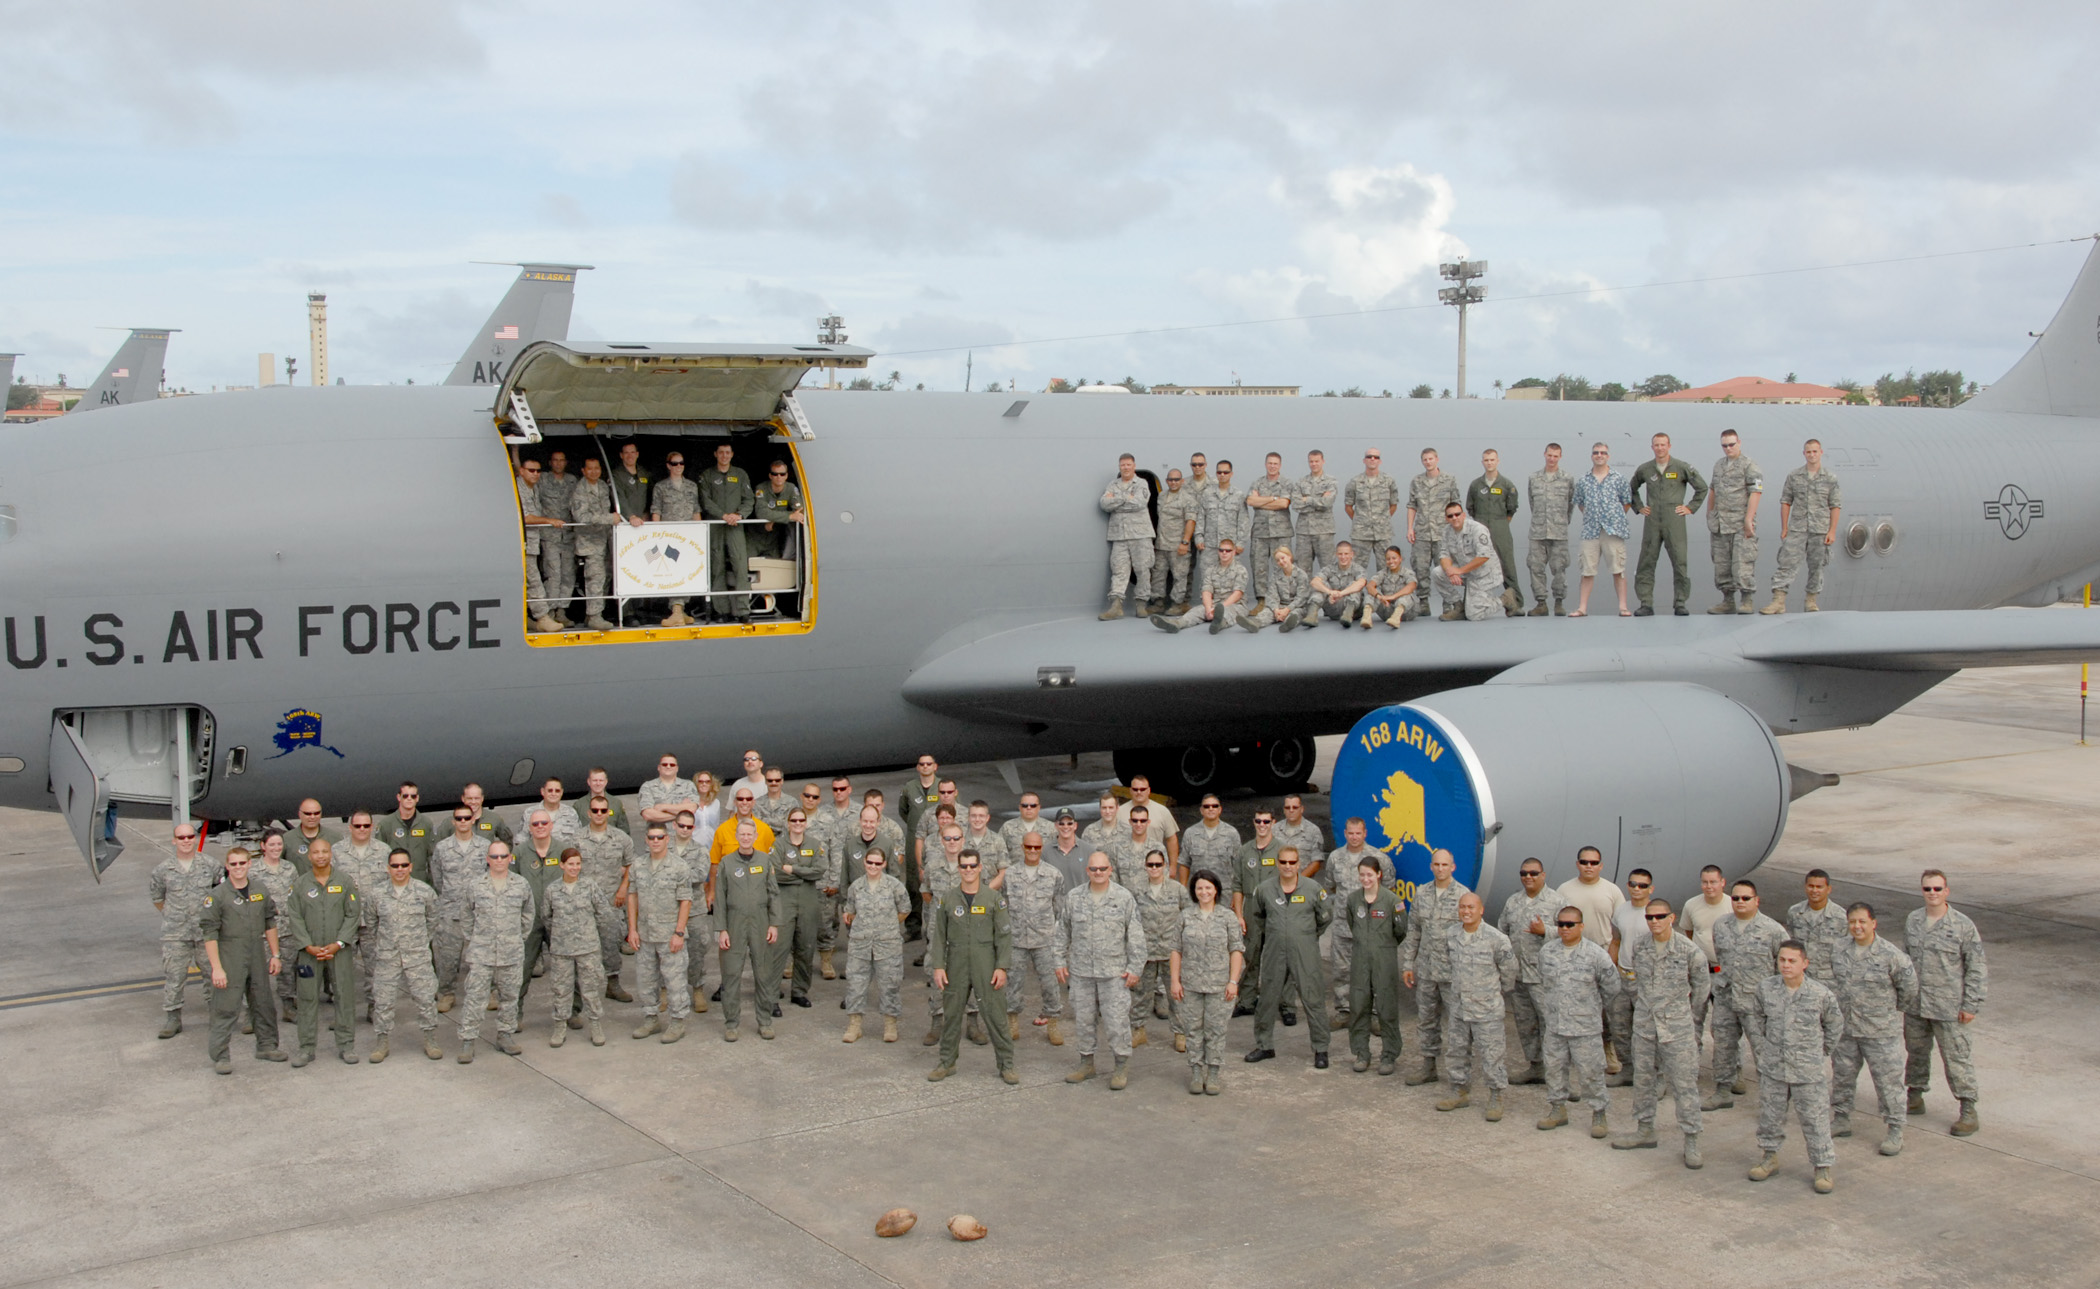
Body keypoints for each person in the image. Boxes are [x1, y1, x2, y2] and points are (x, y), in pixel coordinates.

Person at [1613, 900, 1710, 1168]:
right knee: (1643, 1080)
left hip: (1676, 1028)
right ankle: (1645, 1129)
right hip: (1645, 1026)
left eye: (1660, 916)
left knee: (1683, 1084)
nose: (1654, 921)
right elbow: (1639, 981)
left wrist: (1681, 1013)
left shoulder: (1689, 951)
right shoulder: (1640, 946)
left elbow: (1701, 990)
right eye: (1650, 917)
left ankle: (1691, 1139)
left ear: (1672, 917)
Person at [1743, 941, 1846, 1192]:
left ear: (1805, 963)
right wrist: (1763, 1048)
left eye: (1792, 961)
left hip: (1807, 1071)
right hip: (1774, 1067)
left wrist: (1819, 1052)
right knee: (1770, 1116)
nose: (1786, 965)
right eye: (1782, 960)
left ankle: (1822, 1167)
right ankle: (1769, 1157)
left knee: (1815, 1119)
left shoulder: (1820, 994)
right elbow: (1755, 1020)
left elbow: (1834, 1026)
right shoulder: (1766, 989)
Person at [1831, 901, 1920, 1156]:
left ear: (1873, 923)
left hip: (1880, 1031)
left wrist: (1886, 1013)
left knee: (1888, 1082)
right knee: (1842, 1076)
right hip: (1848, 1029)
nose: (1857, 927)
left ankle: (1895, 1129)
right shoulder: (1839, 950)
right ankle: (1841, 1118)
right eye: (1852, 922)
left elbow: (1909, 991)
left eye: (1861, 922)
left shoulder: (1892, 956)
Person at [1904, 868, 1987, 1136]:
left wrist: (1970, 1005)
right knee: (1916, 1052)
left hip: (1949, 1007)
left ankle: (1968, 1109)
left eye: (1937, 889)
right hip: (1917, 1004)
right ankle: (1914, 1096)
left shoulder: (1962, 925)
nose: (1932, 894)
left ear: (1946, 891)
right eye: (1927, 889)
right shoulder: (1913, 920)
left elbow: (1976, 967)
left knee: (1956, 1059)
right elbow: (1906, 962)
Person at [1055, 851, 1145, 1089]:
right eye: (1093, 869)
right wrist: (1058, 961)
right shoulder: (1074, 898)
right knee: (1084, 1021)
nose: (1098, 873)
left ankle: (1120, 1065)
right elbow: (1062, 931)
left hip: (1114, 973)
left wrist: (1135, 967)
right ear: (1087, 871)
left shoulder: (1123, 898)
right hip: (1082, 973)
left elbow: (1135, 935)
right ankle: (1087, 1063)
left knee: (1116, 1022)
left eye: (1102, 869)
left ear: (1110, 870)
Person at [928, 847, 1018, 1084]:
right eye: (963, 866)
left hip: (985, 962)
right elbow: (938, 935)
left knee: (996, 1016)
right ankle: (947, 1062)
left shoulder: (993, 899)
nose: (968, 870)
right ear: (958, 869)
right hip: (956, 963)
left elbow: (1004, 936)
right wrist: (938, 965)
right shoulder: (948, 899)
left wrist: (1002, 967)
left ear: (979, 868)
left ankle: (1006, 1064)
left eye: (972, 866)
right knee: (952, 1015)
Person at [1536, 905, 1620, 1137]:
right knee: (1554, 1069)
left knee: (1592, 1072)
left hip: (1585, 1028)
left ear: (1581, 926)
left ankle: (1599, 1113)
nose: (1564, 929)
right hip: (1555, 1025)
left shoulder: (1596, 955)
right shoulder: (1547, 952)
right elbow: (1545, 981)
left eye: (1570, 924)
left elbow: (1612, 987)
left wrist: (1590, 1008)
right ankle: (1557, 1109)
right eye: (1560, 924)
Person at [199, 847, 285, 1073]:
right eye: (233, 864)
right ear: (227, 867)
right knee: (226, 1007)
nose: (238, 868)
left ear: (249, 864)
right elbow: (210, 933)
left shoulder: (260, 890)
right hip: (230, 954)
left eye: (242, 863)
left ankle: (267, 1046)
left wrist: (275, 955)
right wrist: (217, 968)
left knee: (263, 1003)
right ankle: (221, 1056)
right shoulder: (217, 896)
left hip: (256, 952)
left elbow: (270, 923)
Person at [1245, 848, 1333, 1068]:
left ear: (1298, 863)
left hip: (1305, 952)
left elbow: (1324, 917)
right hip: (1275, 950)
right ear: (1277, 863)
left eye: (1292, 862)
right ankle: (1264, 1045)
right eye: (1283, 861)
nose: (1287, 866)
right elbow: (1258, 917)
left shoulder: (1313, 889)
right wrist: (1279, 934)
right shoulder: (1264, 889)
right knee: (1267, 997)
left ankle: (1321, 1048)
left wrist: (1304, 936)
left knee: (1313, 998)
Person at [1708, 879, 1787, 1110]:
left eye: (1745, 898)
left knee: (1764, 1052)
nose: (1740, 902)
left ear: (1756, 900)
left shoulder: (1773, 930)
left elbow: (1782, 965)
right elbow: (1720, 958)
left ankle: (1771, 1100)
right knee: (1723, 1046)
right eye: (1735, 898)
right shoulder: (1721, 925)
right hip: (1726, 997)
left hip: (1757, 1003)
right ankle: (1723, 1090)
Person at [1436, 892, 1517, 1118]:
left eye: (1471, 907)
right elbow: (1449, 963)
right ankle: (1459, 1091)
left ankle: (1495, 1096)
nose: (1466, 911)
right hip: (1460, 1007)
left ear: (1481, 910)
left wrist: (1497, 992)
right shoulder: (1452, 935)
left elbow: (1510, 970)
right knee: (1456, 1051)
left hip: (1487, 1009)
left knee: (1492, 1055)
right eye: (1462, 907)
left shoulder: (1496, 938)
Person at [455, 843, 535, 1061]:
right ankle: (468, 1040)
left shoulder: (520, 884)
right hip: (482, 953)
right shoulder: (475, 886)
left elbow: (528, 915)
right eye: (494, 856)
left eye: (503, 856)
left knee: (509, 997)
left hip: (511, 952)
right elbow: (466, 915)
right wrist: (476, 940)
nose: (499, 860)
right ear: (487, 859)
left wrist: (518, 938)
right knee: (475, 998)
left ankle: (505, 1036)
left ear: (510, 858)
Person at [287, 839, 360, 1067]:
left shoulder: (345, 882)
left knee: (344, 996)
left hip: (339, 951)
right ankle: (306, 1048)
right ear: (309, 856)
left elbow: (353, 914)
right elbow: (295, 917)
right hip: (309, 952)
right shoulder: (300, 885)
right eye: (316, 852)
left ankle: (346, 1045)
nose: (320, 856)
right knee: (308, 998)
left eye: (325, 851)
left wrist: (339, 943)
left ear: (331, 854)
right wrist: (307, 945)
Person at [365, 847, 441, 1064]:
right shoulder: (377, 894)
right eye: (395, 866)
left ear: (411, 867)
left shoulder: (424, 892)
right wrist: (387, 943)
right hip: (388, 956)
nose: (400, 869)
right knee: (383, 1000)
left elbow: (432, 920)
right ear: (388, 868)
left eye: (404, 865)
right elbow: (372, 924)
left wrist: (417, 942)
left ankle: (430, 1039)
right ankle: (382, 1042)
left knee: (425, 998)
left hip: (417, 956)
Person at [1401, 848, 1471, 1084]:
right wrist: (1408, 963)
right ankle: (1428, 1066)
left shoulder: (1464, 896)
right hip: (1427, 970)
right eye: (1436, 865)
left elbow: (1471, 935)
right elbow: (1414, 930)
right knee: (1427, 1019)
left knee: (1458, 1024)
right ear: (1431, 867)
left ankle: (1459, 1073)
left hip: (1454, 973)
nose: (1440, 869)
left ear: (1453, 867)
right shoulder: (1422, 894)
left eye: (1445, 865)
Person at [1172, 870, 1244, 1095]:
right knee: (1192, 1029)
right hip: (1191, 985)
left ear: (1216, 890)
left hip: (1219, 986)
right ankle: (1195, 1071)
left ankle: (1213, 1072)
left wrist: (1233, 981)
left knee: (1216, 1030)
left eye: (1208, 888)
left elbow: (1236, 950)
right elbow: (1176, 950)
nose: (1204, 892)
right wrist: (1175, 980)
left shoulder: (1227, 917)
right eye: (1199, 888)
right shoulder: (1185, 916)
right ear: (1194, 891)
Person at [624, 824, 694, 1043]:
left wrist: (679, 933)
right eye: (651, 837)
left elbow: (685, 901)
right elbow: (632, 896)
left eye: (659, 837)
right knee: (645, 980)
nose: (655, 841)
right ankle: (650, 1018)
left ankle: (677, 1021)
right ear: (646, 840)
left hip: (669, 933)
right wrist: (632, 929)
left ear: (667, 839)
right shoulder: (638, 865)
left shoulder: (679, 866)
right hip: (645, 934)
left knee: (674, 981)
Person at [148, 819, 219, 1039]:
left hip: (205, 932)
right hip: (175, 933)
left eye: (190, 837)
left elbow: (220, 894)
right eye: (182, 838)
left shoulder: (210, 865)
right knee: (175, 975)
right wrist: (174, 916)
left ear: (195, 839)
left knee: (213, 973)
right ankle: (173, 1017)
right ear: (174, 840)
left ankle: (217, 1015)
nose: (186, 841)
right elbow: (158, 898)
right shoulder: (162, 870)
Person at [713, 819, 782, 1041]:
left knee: (763, 973)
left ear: (754, 836)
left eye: (749, 834)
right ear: (736, 836)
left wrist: (774, 923)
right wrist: (721, 929)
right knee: (731, 974)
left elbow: (774, 893)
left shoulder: (764, 860)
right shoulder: (726, 863)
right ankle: (732, 1023)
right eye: (741, 834)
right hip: (734, 922)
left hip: (760, 921)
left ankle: (764, 1021)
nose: (745, 838)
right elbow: (720, 899)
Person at [1627, 431, 1708, 616]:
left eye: (1663, 444)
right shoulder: (1645, 469)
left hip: (1675, 521)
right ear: (1652, 447)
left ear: (1669, 446)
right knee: (1646, 561)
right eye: (1656, 445)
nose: (1660, 448)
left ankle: (1680, 603)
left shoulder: (1681, 467)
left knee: (1680, 562)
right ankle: (1645, 603)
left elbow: (1702, 488)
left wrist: (1690, 508)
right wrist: (1639, 507)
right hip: (1653, 521)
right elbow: (1630, 489)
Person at [1496, 858, 1560, 1083]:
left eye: (1533, 873)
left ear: (1543, 875)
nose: (1528, 877)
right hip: (1519, 975)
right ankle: (1535, 1066)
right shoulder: (1513, 901)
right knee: (1525, 1023)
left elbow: (1571, 934)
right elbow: (1502, 931)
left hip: (1544, 976)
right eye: (1524, 873)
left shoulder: (1557, 901)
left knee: (1550, 1024)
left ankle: (1557, 1072)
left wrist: (1546, 931)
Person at [1321, 818, 1393, 1017]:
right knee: (1342, 970)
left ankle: (1376, 1013)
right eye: (1350, 833)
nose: (1354, 837)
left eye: (1358, 833)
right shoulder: (1335, 857)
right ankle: (1344, 1010)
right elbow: (1330, 886)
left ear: (1365, 833)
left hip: (1371, 927)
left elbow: (1389, 889)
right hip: (1343, 925)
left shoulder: (1379, 858)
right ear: (1345, 834)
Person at [1762, 438, 1843, 614]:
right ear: (1804, 454)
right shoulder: (1794, 476)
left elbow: (1835, 506)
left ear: (1821, 452)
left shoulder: (1830, 478)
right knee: (1786, 562)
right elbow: (1785, 502)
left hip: (1820, 530)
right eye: (1808, 452)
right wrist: (1784, 527)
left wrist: (1832, 531)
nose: (1812, 455)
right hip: (1797, 528)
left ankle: (1811, 601)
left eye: (1815, 451)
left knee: (1817, 566)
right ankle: (1778, 600)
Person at [1343, 857, 1407, 1075]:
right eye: (1362, 874)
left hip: (1384, 960)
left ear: (1379, 874)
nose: (1366, 879)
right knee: (1359, 1006)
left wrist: (1383, 947)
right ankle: (1362, 1053)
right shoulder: (1353, 900)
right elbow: (1353, 925)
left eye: (1370, 874)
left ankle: (1389, 1055)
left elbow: (1401, 931)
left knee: (1386, 1008)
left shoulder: (1392, 901)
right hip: (1360, 960)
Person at [841, 848, 912, 1043]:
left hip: (887, 943)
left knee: (890, 984)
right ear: (864, 862)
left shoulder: (894, 886)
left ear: (884, 864)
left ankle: (890, 1025)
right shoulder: (856, 887)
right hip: (860, 944)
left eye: (877, 863)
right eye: (870, 862)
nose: (873, 866)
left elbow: (905, 909)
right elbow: (850, 910)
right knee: (856, 984)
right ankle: (854, 1025)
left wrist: (887, 925)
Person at [1003, 830, 1067, 1045]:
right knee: (1013, 983)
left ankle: (1053, 1023)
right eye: (1028, 847)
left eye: (1036, 847)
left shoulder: (1053, 875)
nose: (1032, 851)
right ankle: (1012, 1021)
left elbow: (1060, 909)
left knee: (1050, 983)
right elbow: (1002, 906)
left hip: (1044, 940)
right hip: (1016, 939)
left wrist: (1056, 937)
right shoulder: (1010, 875)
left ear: (1042, 849)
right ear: (1022, 847)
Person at [543, 848, 607, 1047]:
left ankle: (595, 1025)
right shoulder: (552, 890)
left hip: (587, 947)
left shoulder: (589, 886)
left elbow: (603, 913)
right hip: (562, 950)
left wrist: (590, 934)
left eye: (578, 864)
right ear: (562, 865)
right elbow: (547, 918)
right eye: (570, 864)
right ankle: (560, 1026)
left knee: (591, 988)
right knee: (561, 989)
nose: (574, 868)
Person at [1130, 849, 1191, 1049]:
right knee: (1140, 994)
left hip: (1170, 952)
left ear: (1165, 866)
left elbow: (1188, 915)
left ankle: (1180, 1033)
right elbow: (1129, 919)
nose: (1154, 868)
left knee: (1176, 995)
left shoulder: (1177, 889)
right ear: (1145, 867)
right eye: (1150, 865)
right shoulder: (1136, 889)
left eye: (1158, 864)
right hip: (1145, 951)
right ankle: (1138, 1030)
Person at [577, 796, 636, 1004]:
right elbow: (569, 867)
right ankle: (583, 990)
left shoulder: (621, 839)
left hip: (612, 900)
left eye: (604, 811)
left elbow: (631, 866)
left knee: (611, 943)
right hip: (583, 903)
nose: (599, 814)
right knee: (583, 948)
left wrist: (622, 889)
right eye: (595, 810)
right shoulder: (577, 839)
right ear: (589, 813)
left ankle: (613, 983)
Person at [430, 806, 490, 1009]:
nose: (463, 821)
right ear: (453, 821)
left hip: (478, 911)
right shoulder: (443, 848)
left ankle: (488, 992)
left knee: (483, 956)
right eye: (459, 818)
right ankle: (446, 993)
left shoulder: (484, 846)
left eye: (467, 818)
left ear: (473, 820)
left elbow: (490, 875)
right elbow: (437, 877)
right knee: (448, 957)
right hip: (451, 910)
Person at [1231, 810, 1286, 1017]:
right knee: (1251, 954)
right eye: (1258, 821)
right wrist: (1238, 914)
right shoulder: (1245, 851)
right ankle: (1246, 1000)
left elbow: (1290, 881)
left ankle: (1283, 1003)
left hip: (1275, 907)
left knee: (1277, 958)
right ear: (1253, 823)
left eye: (1266, 821)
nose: (1262, 825)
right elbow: (1237, 884)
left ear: (1273, 822)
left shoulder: (1282, 850)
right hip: (1251, 906)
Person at [769, 808, 826, 1007]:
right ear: (788, 823)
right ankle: (772, 992)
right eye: (794, 820)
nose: (798, 823)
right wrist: (804, 874)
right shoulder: (778, 845)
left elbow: (819, 871)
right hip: (785, 902)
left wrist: (793, 869)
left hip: (808, 903)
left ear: (806, 823)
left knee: (806, 947)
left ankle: (799, 990)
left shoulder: (814, 844)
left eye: (801, 820)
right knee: (779, 949)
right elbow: (775, 872)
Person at [1604, 867, 1655, 1086]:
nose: (1636, 889)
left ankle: (1653, 1076)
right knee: (1620, 1027)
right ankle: (1628, 1070)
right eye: (1633, 884)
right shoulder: (1622, 911)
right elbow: (1616, 940)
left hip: (1646, 981)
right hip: (1624, 977)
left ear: (1650, 889)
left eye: (1642, 885)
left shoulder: (1654, 914)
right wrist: (1612, 967)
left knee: (1647, 1031)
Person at [1571, 443, 1634, 617]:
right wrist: (1594, 517)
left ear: (1608, 456)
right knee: (1587, 571)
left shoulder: (1618, 478)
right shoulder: (1584, 480)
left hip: (1613, 531)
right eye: (1596, 453)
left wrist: (1613, 517)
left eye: (1603, 453)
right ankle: (1582, 608)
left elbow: (1627, 501)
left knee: (1618, 570)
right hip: (1590, 531)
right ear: (1592, 456)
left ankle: (1623, 606)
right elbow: (1580, 503)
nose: (1599, 455)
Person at [1705, 429, 1762, 614]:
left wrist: (1749, 519)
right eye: (1724, 445)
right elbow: (1712, 489)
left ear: (1739, 443)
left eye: (1731, 444)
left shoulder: (1749, 465)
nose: (1728, 448)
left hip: (1739, 524)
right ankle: (1727, 600)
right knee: (1722, 564)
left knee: (1742, 563)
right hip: (1721, 524)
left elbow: (1756, 492)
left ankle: (1747, 600)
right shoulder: (1719, 465)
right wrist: (1710, 513)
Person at [696, 442, 755, 621]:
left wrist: (738, 515)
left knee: (740, 567)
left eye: (727, 453)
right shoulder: (707, 475)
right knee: (717, 567)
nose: (724, 456)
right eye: (721, 452)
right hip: (716, 525)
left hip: (735, 526)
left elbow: (749, 500)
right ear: (715, 454)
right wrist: (722, 515)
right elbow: (705, 501)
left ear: (732, 454)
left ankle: (743, 611)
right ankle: (721, 611)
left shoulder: (740, 474)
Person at [1404, 448, 1461, 619]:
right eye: (1425, 459)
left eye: (1431, 459)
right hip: (1422, 532)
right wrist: (1410, 528)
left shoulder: (1448, 480)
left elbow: (1456, 507)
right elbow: (1412, 505)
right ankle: (1423, 602)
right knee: (1420, 568)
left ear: (1437, 459)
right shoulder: (1417, 481)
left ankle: (1448, 603)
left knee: (1445, 569)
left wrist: (1456, 529)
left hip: (1443, 533)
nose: (1428, 462)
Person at [1098, 452, 1155, 620]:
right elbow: (1104, 504)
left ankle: (1141, 604)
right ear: (1119, 466)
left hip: (1141, 535)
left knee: (1142, 569)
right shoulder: (1113, 484)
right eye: (1122, 465)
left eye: (1128, 464)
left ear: (1134, 466)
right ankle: (1116, 606)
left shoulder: (1141, 483)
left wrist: (1115, 499)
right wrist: (1126, 498)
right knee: (1119, 570)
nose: (1126, 467)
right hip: (1119, 536)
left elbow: (1139, 503)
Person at [1466, 448, 1523, 613]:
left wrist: (1500, 524)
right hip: (1480, 528)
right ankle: (1472, 603)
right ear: (1482, 462)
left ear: (1498, 461)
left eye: (1492, 460)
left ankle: (1515, 604)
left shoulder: (1506, 485)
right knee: (1476, 565)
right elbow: (1470, 507)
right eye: (1486, 460)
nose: (1489, 463)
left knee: (1507, 566)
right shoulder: (1476, 485)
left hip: (1500, 529)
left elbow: (1512, 508)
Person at [1153, 537, 1249, 633]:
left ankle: (1218, 624)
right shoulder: (1210, 570)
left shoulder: (1240, 570)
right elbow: (1206, 591)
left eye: (1228, 551)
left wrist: (1220, 608)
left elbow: (1237, 594)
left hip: (1235, 605)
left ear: (1234, 552)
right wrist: (1208, 609)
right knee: (1196, 612)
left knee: (1228, 613)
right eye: (1221, 550)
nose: (1224, 553)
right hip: (1214, 603)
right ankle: (1177, 624)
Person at [649, 450, 700, 625]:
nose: (678, 467)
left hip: (688, 537)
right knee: (672, 571)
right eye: (674, 463)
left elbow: (696, 510)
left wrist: (699, 533)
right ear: (668, 466)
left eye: (681, 463)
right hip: (669, 537)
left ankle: (682, 608)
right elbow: (656, 510)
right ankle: (675, 610)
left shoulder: (692, 486)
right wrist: (657, 535)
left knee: (686, 571)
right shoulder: (661, 487)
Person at [1525, 443, 1575, 616]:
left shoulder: (1567, 478)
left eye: (1556, 456)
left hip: (1559, 532)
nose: (1552, 459)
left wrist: (1561, 522)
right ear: (1544, 454)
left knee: (1559, 568)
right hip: (1538, 532)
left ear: (1560, 457)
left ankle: (1559, 602)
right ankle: (1541, 603)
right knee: (1535, 568)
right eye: (1549, 455)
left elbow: (1570, 505)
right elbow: (1532, 503)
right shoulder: (1534, 478)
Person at [1435, 501, 1506, 622]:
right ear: (1446, 518)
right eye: (1450, 516)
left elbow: (1484, 556)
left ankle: (1505, 600)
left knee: (1474, 615)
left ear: (1463, 515)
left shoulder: (1478, 529)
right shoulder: (1447, 531)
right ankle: (1459, 607)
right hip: (1466, 571)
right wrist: (1450, 571)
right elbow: (1444, 554)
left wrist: (1459, 570)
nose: (1454, 518)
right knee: (1437, 572)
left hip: (1485, 574)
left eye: (1457, 514)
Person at [516, 456, 565, 632]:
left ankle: (524, 616)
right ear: (522, 471)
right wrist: (549, 520)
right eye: (531, 470)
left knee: (525, 581)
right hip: (522, 543)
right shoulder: (519, 488)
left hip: (532, 543)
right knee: (534, 581)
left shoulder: (533, 488)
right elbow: (526, 517)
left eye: (538, 471)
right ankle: (543, 617)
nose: (535, 474)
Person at [569, 455, 618, 631]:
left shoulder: (603, 486)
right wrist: (609, 518)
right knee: (595, 578)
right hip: (589, 542)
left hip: (604, 539)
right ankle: (595, 616)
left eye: (597, 468)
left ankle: (594, 614)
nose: (594, 471)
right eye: (590, 468)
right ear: (583, 470)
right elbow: (581, 517)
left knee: (605, 578)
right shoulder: (579, 490)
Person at [1147, 467, 1199, 616]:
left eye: (1176, 479)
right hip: (1161, 545)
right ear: (1166, 481)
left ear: (1182, 481)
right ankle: (1158, 603)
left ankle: (1178, 604)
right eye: (1170, 479)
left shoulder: (1188, 498)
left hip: (1178, 545)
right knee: (1158, 575)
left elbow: (1190, 521)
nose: (1173, 482)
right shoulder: (1162, 496)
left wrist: (1185, 542)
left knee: (1180, 576)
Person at [1245, 452, 1296, 606]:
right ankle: (1262, 601)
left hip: (1281, 533)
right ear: (1265, 464)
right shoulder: (1257, 483)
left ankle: (1283, 600)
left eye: (1275, 463)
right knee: (1259, 567)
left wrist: (1261, 501)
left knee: (1282, 566)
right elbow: (1250, 501)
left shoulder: (1286, 483)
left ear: (1280, 465)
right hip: (1260, 533)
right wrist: (1273, 498)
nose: (1272, 466)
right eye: (1270, 463)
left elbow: (1284, 504)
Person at [536, 448, 579, 625]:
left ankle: (562, 612)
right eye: (555, 460)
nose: (558, 463)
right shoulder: (543, 479)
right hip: (549, 535)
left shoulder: (572, 481)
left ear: (566, 462)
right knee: (553, 574)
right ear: (550, 462)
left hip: (568, 535)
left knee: (568, 574)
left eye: (561, 460)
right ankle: (551, 611)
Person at [1193, 460, 1250, 587]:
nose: (1222, 474)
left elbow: (1243, 521)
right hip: (1209, 545)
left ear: (1231, 474)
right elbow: (1201, 517)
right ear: (1216, 474)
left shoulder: (1238, 495)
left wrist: (1240, 543)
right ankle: (1208, 605)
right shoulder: (1207, 494)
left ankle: (1229, 605)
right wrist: (1198, 537)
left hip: (1230, 547)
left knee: (1231, 578)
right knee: (1207, 578)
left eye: (1226, 472)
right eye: (1219, 472)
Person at [1343, 448, 1400, 569]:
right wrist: (1360, 520)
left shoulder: (1389, 481)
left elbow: (1394, 505)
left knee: (1386, 567)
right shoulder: (1355, 482)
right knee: (1357, 568)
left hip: (1383, 533)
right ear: (1364, 460)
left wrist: (1382, 519)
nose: (1372, 459)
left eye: (1376, 457)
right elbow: (1348, 506)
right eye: (1369, 457)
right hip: (1361, 534)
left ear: (1380, 461)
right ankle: (1358, 589)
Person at [1787, 869, 1847, 980]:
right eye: (1811, 886)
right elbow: (1791, 945)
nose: (1814, 890)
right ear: (1805, 887)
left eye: (1819, 887)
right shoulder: (1795, 912)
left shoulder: (1841, 917)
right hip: (1801, 978)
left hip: (1829, 980)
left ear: (1828, 889)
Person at [1115, 777, 1180, 870]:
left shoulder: (1162, 811)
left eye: (1142, 789)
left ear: (1149, 790)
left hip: (1155, 867)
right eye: (1135, 789)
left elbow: (1171, 839)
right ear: (1130, 790)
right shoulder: (1119, 813)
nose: (1139, 792)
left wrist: (1173, 866)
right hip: (1128, 869)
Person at [1292, 448, 1339, 573]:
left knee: (1328, 567)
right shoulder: (1301, 482)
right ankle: (1304, 593)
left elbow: (1327, 503)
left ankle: (1327, 592)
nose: (1314, 464)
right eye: (1311, 461)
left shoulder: (1330, 481)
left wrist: (1307, 499)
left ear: (1323, 461)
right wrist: (1319, 500)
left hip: (1324, 531)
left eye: (1317, 461)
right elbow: (1296, 504)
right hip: (1304, 532)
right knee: (1302, 568)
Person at [1307, 540, 1372, 628]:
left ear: (1352, 554)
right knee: (1321, 585)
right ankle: (1311, 616)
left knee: (1354, 585)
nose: (1343, 557)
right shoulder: (1330, 568)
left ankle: (1347, 615)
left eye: (1346, 554)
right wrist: (1330, 592)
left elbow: (1361, 583)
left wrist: (1341, 593)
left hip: (1354, 612)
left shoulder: (1358, 569)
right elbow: (1314, 582)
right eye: (1340, 554)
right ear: (1336, 554)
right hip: (1333, 608)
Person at [1180, 794, 1239, 888]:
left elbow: (1238, 865)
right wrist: (1183, 890)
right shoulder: (1190, 833)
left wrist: (1236, 893)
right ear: (1201, 810)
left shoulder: (1231, 833)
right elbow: (1184, 863)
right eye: (1206, 806)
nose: (1211, 809)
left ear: (1220, 809)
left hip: (1225, 892)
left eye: (1215, 806)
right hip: (1198, 891)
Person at [752, 458, 805, 562]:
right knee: (747, 563)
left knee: (777, 564)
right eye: (775, 474)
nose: (779, 477)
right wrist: (789, 516)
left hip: (776, 536)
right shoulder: (761, 488)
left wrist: (775, 519)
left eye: (782, 474)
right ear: (770, 476)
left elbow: (799, 511)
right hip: (756, 534)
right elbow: (761, 513)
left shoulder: (791, 488)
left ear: (786, 475)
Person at [1105, 805, 1168, 891]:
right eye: (1135, 821)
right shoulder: (1117, 847)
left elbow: (1164, 878)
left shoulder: (1158, 848)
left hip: (1149, 900)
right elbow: (1112, 878)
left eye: (1143, 821)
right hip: (1124, 900)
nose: (1139, 824)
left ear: (1148, 822)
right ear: (1130, 822)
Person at [638, 754, 700, 829]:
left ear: (677, 768)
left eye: (672, 765)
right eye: (664, 764)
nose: (668, 766)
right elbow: (648, 815)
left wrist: (662, 807)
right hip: (657, 838)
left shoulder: (688, 785)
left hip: (681, 837)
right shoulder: (648, 786)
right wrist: (680, 814)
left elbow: (692, 808)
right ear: (658, 767)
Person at [1368, 545, 1418, 628]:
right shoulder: (1382, 573)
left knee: (1408, 596)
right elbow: (1370, 585)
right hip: (1387, 610)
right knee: (1371, 594)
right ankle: (1366, 618)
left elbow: (1412, 585)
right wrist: (1379, 596)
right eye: (1388, 559)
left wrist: (1393, 596)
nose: (1391, 561)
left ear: (1400, 559)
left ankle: (1396, 618)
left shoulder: (1408, 573)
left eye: (1394, 558)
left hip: (1406, 613)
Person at [287, 798, 341, 871]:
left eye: (316, 813)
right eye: (307, 814)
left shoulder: (335, 838)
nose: (312, 817)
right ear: (299, 814)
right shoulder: (287, 840)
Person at [1046, 809, 1090, 888]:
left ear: (1075, 825)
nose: (1065, 827)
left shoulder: (1089, 851)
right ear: (1056, 825)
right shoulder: (1045, 852)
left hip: (1081, 900)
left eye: (1069, 823)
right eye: (1061, 824)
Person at [753, 766, 796, 831]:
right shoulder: (756, 804)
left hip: (784, 840)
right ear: (765, 781)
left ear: (782, 781)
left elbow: (791, 826)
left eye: (777, 780)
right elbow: (756, 826)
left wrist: (765, 821)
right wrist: (780, 823)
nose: (774, 783)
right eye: (770, 780)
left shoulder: (792, 802)